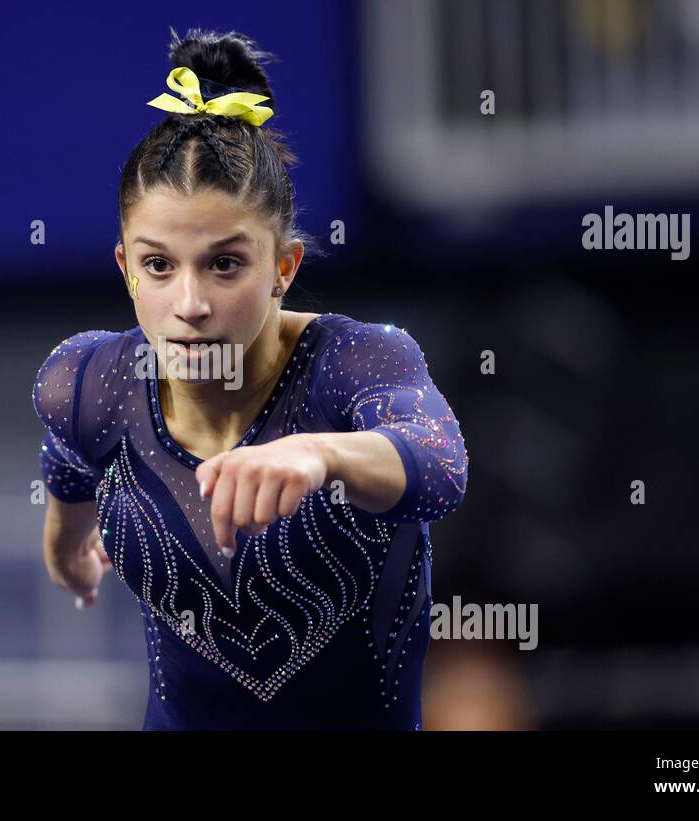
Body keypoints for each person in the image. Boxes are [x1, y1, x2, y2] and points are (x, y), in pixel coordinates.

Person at [32, 28, 469, 729]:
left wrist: (320, 453)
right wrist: (69, 553)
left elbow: (440, 463)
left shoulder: (354, 362)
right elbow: (66, 464)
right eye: (159, 265)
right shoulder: (89, 382)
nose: (191, 304)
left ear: (284, 268)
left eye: (226, 264)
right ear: (125, 268)